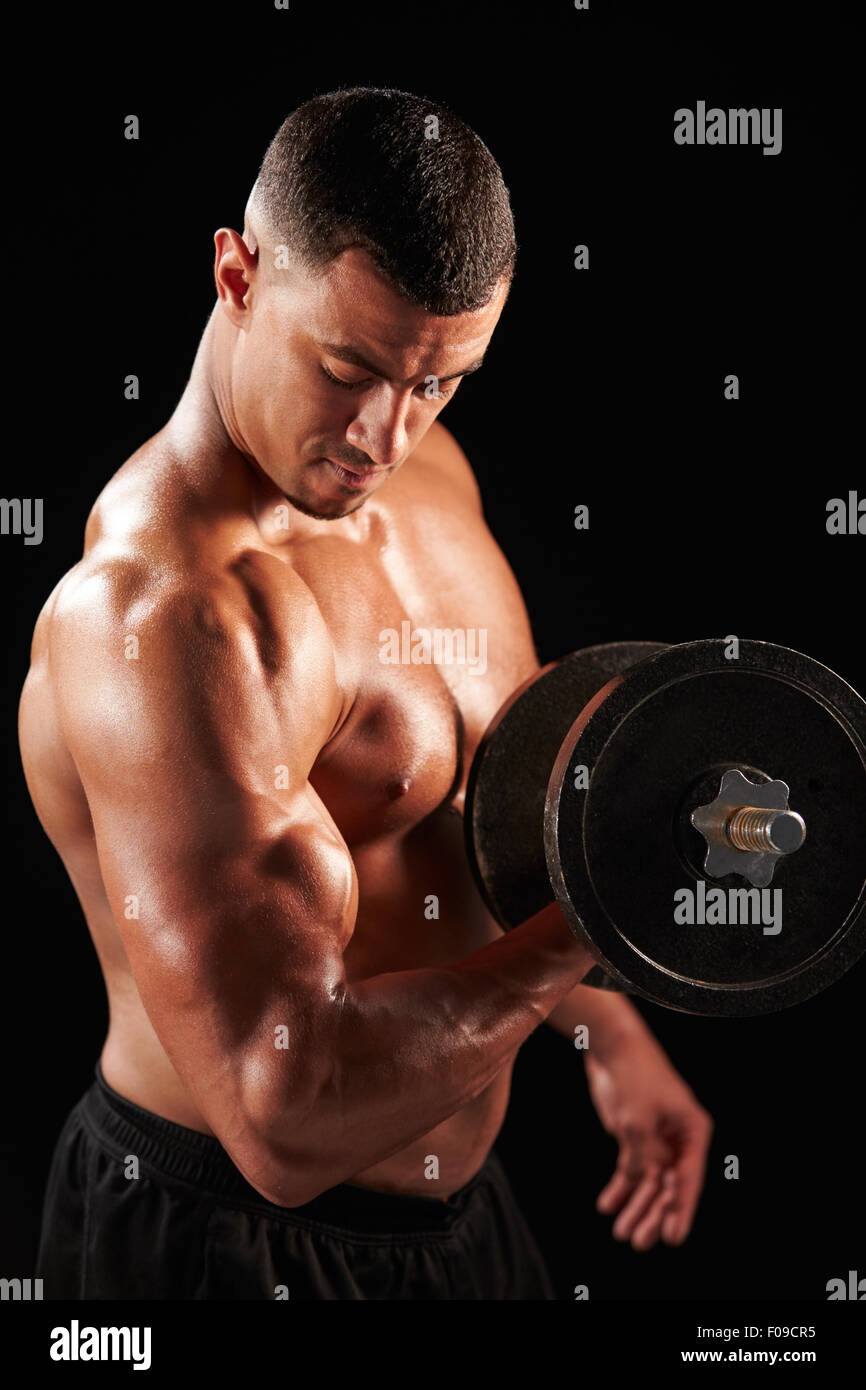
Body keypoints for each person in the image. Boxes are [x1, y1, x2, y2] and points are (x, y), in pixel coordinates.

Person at [19, 87, 712, 1300]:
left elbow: (476, 822)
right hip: (215, 1237)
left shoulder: (420, 468)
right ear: (236, 277)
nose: (383, 435)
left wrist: (612, 1038)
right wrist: (596, 927)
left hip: (459, 1223)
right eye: (347, 369)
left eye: (438, 380)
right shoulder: (164, 614)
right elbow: (283, 1120)